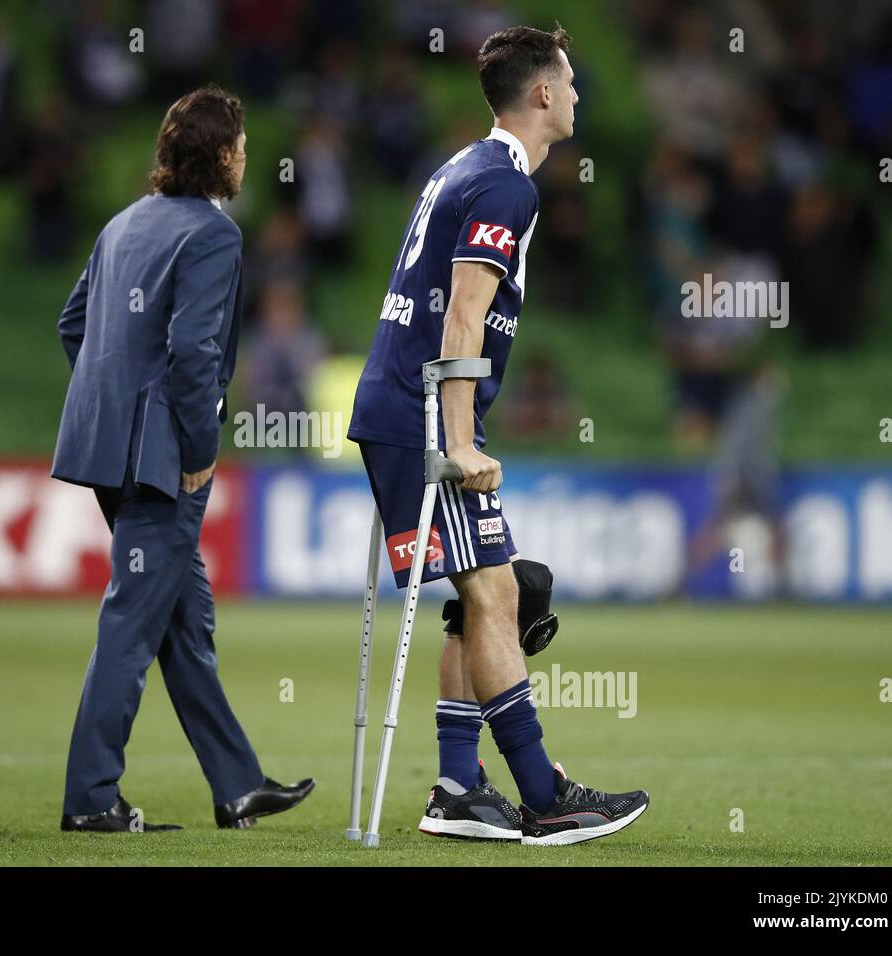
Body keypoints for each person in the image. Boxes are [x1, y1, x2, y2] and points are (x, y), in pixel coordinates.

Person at [347, 26, 649, 845]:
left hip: (402, 411)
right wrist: (459, 440)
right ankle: (546, 797)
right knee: (498, 594)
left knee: (484, 596)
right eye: (572, 83)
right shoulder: (507, 187)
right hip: (421, 420)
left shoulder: (462, 166)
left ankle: (457, 789)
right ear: (543, 94)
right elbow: (463, 314)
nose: (580, 95)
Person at [52, 86, 314, 832]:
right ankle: (91, 800)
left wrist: (112, 399)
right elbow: (194, 355)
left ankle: (237, 785)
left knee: (182, 623)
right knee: (132, 625)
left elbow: (74, 325)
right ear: (221, 155)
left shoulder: (124, 223)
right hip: (163, 459)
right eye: (241, 146)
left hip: (109, 448)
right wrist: (196, 448)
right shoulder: (214, 234)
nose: (246, 158)